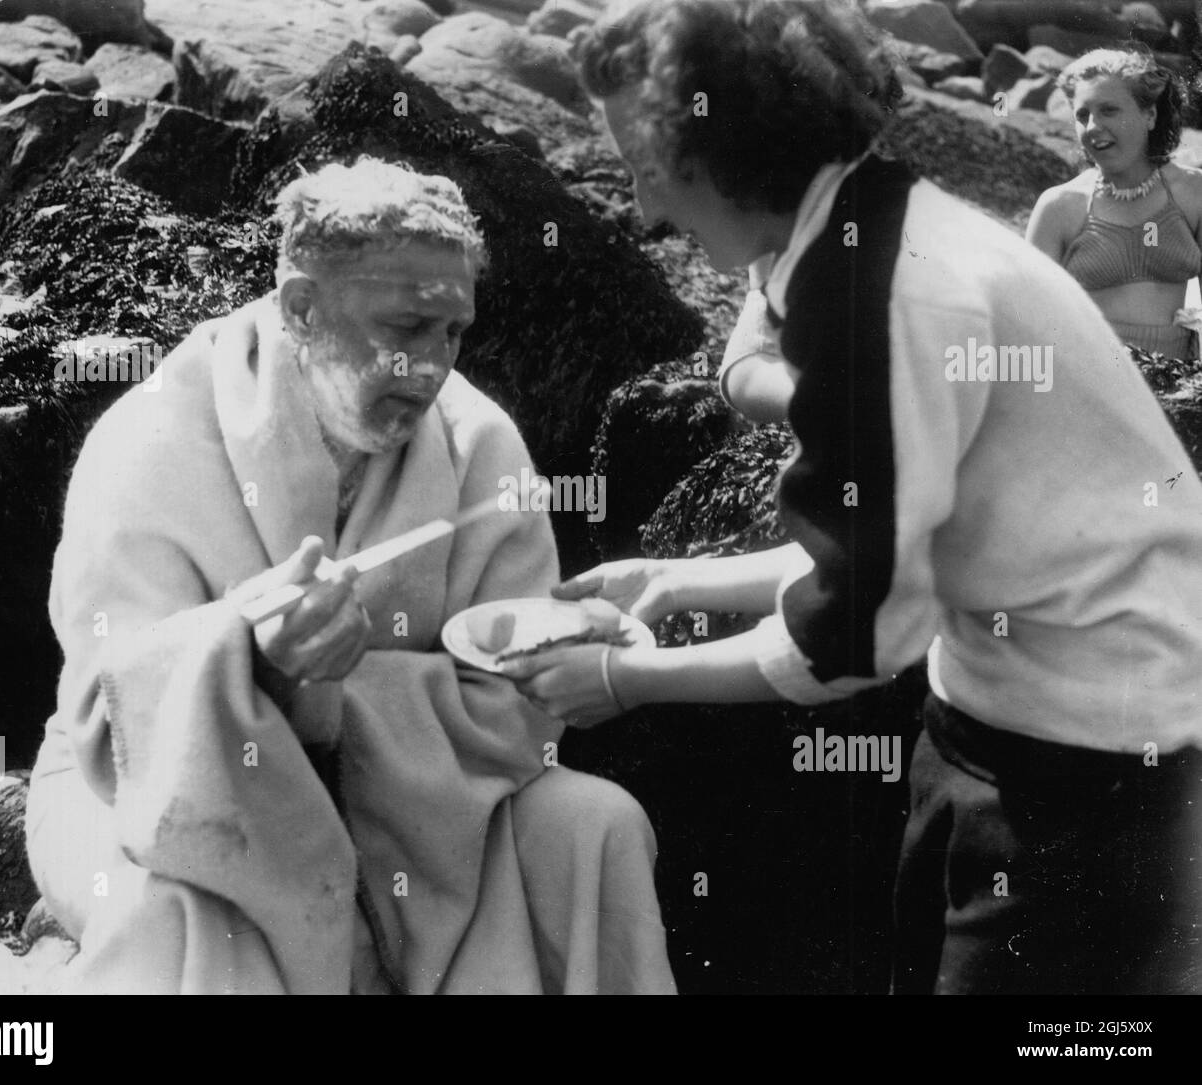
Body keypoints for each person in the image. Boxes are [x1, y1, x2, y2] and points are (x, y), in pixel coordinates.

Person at [505, 0, 1202, 994]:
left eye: (648, 168)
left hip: (1099, 766)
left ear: (732, 155)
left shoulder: (889, 299)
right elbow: (891, 539)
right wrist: (668, 578)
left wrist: (622, 683)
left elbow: (856, 637)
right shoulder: (867, 223)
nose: (644, 209)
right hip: (988, 714)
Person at [24, 157, 675, 995]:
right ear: (302, 306)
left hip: (423, 812)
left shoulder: (480, 444)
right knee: (185, 911)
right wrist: (248, 655)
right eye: (405, 330)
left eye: (453, 333)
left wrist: (330, 698)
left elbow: (517, 715)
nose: (434, 368)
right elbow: (110, 721)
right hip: (153, 802)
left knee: (596, 826)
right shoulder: (148, 441)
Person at [1027, 47, 1202, 359]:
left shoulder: (1193, 194)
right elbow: (1029, 324)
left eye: (1109, 110)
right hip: (1093, 383)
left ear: (1150, 115)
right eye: (1082, 115)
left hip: (1179, 386)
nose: (1092, 126)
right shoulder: (1059, 207)